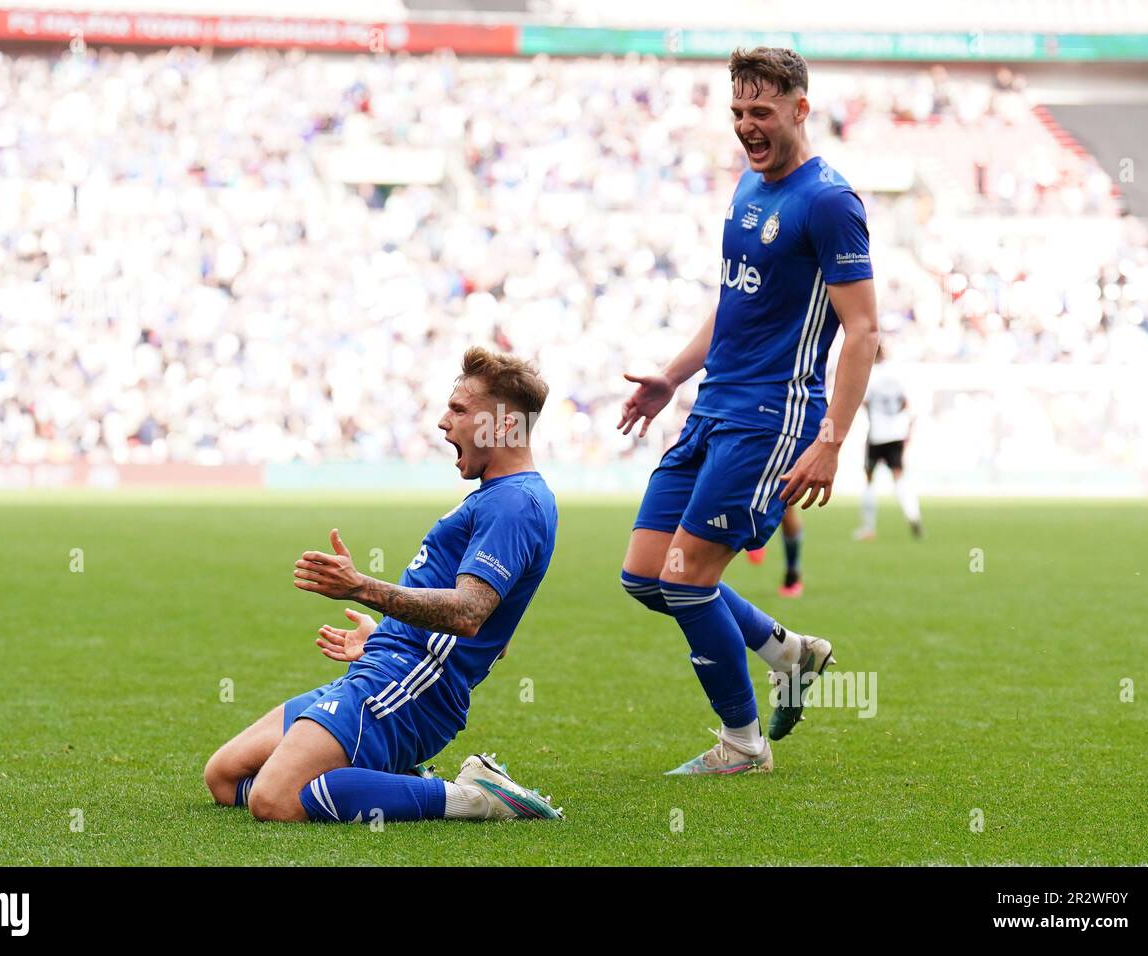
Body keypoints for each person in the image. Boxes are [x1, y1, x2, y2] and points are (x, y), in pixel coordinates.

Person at [617, 47, 879, 774]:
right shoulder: (747, 187)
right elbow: (734, 304)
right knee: (645, 575)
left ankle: (742, 744)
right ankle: (788, 653)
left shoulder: (829, 202)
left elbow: (862, 331)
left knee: (686, 580)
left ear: (800, 107)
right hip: (712, 407)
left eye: (760, 111)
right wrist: (673, 377)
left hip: (772, 420)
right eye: (737, 111)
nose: (746, 126)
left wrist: (831, 439)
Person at [204, 347, 563, 822]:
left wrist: (360, 587)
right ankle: (392, 780)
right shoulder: (502, 498)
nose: (442, 422)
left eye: (458, 410)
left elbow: (469, 613)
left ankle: (474, 798)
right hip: (388, 665)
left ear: (500, 426)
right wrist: (385, 637)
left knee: (273, 799)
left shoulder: (514, 504)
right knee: (225, 777)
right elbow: (496, 632)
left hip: (411, 685)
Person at [855, 345, 923, 539]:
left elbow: (863, 401)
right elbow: (906, 403)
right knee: (899, 476)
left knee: (869, 478)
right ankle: (913, 516)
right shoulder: (896, 373)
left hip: (877, 433)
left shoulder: (869, 375)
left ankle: (868, 528)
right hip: (897, 432)